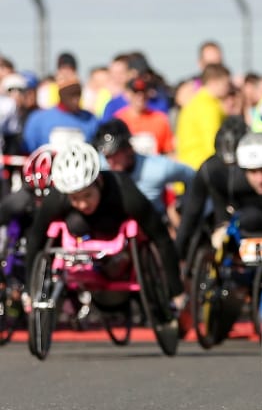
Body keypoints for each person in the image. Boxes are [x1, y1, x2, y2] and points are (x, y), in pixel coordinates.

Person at [25, 141, 183, 328]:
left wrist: (175, 292)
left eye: (87, 196)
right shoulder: (57, 197)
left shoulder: (125, 191)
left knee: (147, 232)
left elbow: (161, 238)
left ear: (98, 181)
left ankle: (141, 297)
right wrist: (31, 291)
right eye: (75, 198)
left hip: (116, 228)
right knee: (66, 224)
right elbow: (35, 239)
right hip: (81, 232)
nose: (82, 204)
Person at [174, 117, 262, 259]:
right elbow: (192, 212)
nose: (260, 178)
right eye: (253, 171)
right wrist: (177, 257)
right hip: (239, 220)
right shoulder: (212, 170)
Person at [92, 119, 194, 223]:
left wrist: (187, 207)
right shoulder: (100, 167)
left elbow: (192, 176)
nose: (110, 160)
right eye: (106, 155)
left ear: (128, 148)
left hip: (154, 227)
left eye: (113, 154)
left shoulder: (157, 168)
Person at [22, 74, 99, 153]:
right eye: (71, 95)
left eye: (78, 94)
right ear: (61, 95)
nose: (76, 99)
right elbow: (29, 149)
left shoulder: (90, 119)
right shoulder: (38, 119)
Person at [175, 63, 230, 170]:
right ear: (213, 82)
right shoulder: (209, 106)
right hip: (203, 169)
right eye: (226, 84)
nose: (228, 89)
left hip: (187, 166)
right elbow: (213, 143)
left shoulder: (194, 102)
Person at [113, 77, 175, 155]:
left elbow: (169, 151)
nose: (140, 96)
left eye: (143, 92)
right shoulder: (118, 121)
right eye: (135, 92)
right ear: (127, 94)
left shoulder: (160, 119)